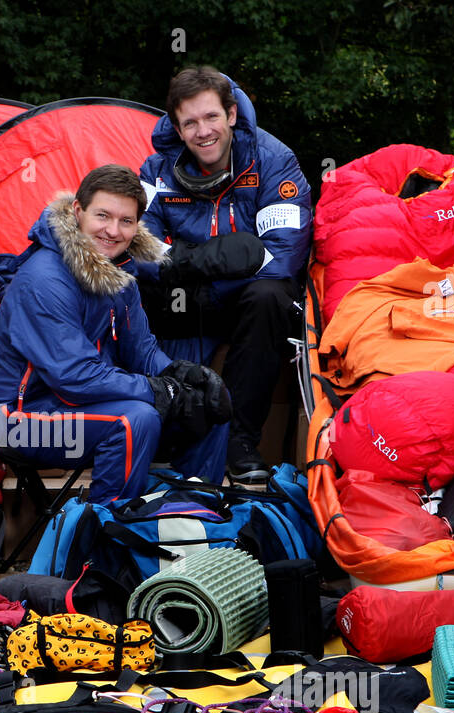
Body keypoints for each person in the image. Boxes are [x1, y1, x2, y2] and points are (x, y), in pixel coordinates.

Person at [0, 164, 230, 503]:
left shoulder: (118, 270)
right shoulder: (45, 280)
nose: (113, 231)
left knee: (208, 408)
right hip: (19, 423)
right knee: (134, 420)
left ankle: (189, 526)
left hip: (83, 404)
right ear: (78, 211)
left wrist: (180, 374)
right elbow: (74, 376)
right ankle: (105, 542)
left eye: (126, 221)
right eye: (103, 216)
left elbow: (141, 351)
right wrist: (158, 391)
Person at [138, 67, 313, 482]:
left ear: (231, 114)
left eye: (211, 117)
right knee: (127, 290)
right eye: (190, 123)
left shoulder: (274, 161)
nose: (203, 132)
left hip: (242, 301)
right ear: (177, 130)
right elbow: (138, 249)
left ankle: (240, 441)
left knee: (272, 295)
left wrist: (195, 270)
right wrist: (223, 257)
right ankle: (142, 429)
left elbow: (282, 256)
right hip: (181, 298)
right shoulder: (155, 171)